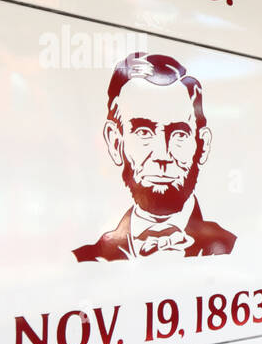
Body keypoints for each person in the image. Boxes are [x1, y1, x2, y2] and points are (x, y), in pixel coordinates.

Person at [74, 52, 235, 261]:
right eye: (144, 133)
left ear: (202, 145)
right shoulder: (87, 259)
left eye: (179, 134)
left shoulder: (235, 246)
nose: (162, 156)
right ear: (115, 142)